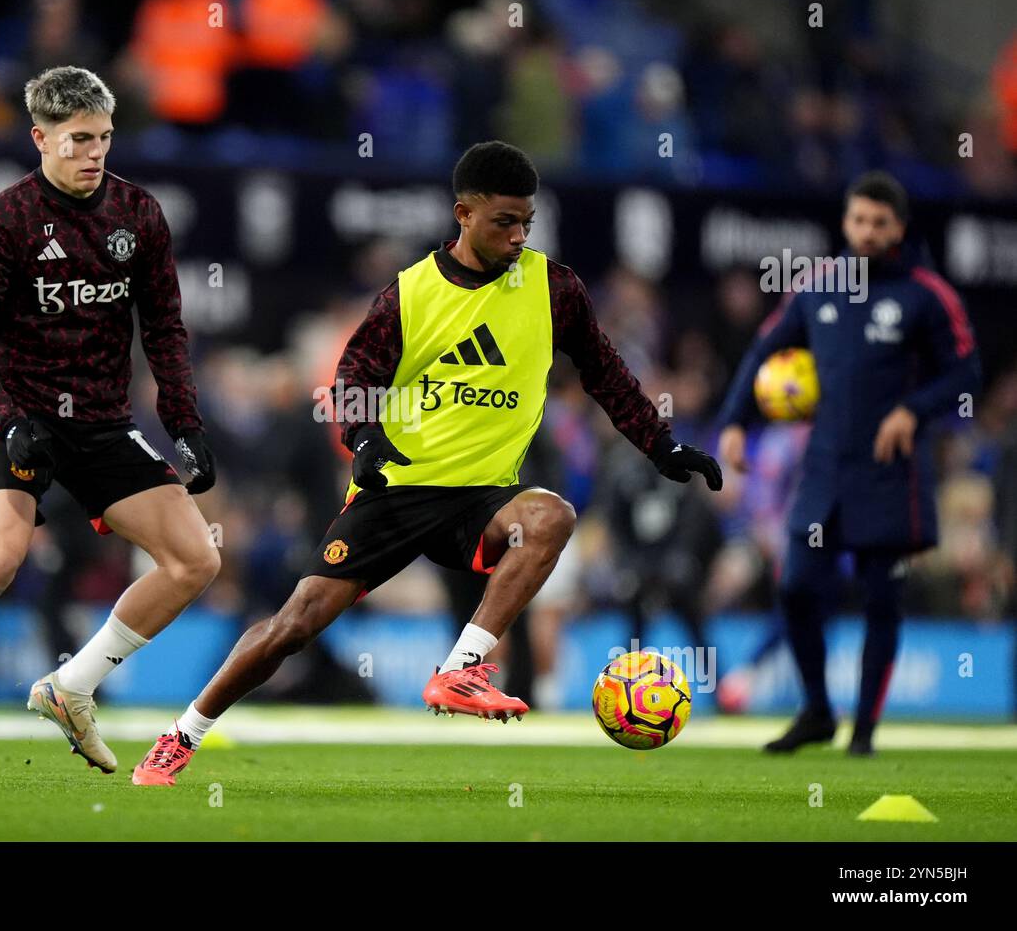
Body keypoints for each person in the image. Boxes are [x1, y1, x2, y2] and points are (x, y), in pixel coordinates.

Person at [131, 140, 722, 786]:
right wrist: (362, 438)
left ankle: (462, 669)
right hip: (400, 488)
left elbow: (606, 372)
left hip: (483, 498)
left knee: (551, 515)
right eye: (504, 222)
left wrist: (660, 445)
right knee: (293, 625)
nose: (519, 235)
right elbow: (353, 375)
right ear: (463, 214)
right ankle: (181, 735)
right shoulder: (410, 293)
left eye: (527, 221)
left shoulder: (554, 287)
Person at [0, 66, 218, 778]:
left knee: (197, 559)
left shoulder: (140, 215)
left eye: (102, 137)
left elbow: (164, 329)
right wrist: (5, 418)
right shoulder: (0, 221)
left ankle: (70, 687)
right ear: (40, 137)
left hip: (102, 422)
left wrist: (185, 423)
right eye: (77, 140)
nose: (93, 152)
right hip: (25, 417)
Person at [716, 171, 981, 756]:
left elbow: (965, 371)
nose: (866, 232)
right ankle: (816, 710)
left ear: (899, 229)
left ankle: (863, 731)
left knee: (882, 599)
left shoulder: (926, 294)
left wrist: (913, 410)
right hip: (826, 468)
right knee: (795, 589)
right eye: (858, 220)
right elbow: (767, 351)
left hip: (891, 472)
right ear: (845, 222)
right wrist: (736, 422)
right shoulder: (818, 286)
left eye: (878, 223)